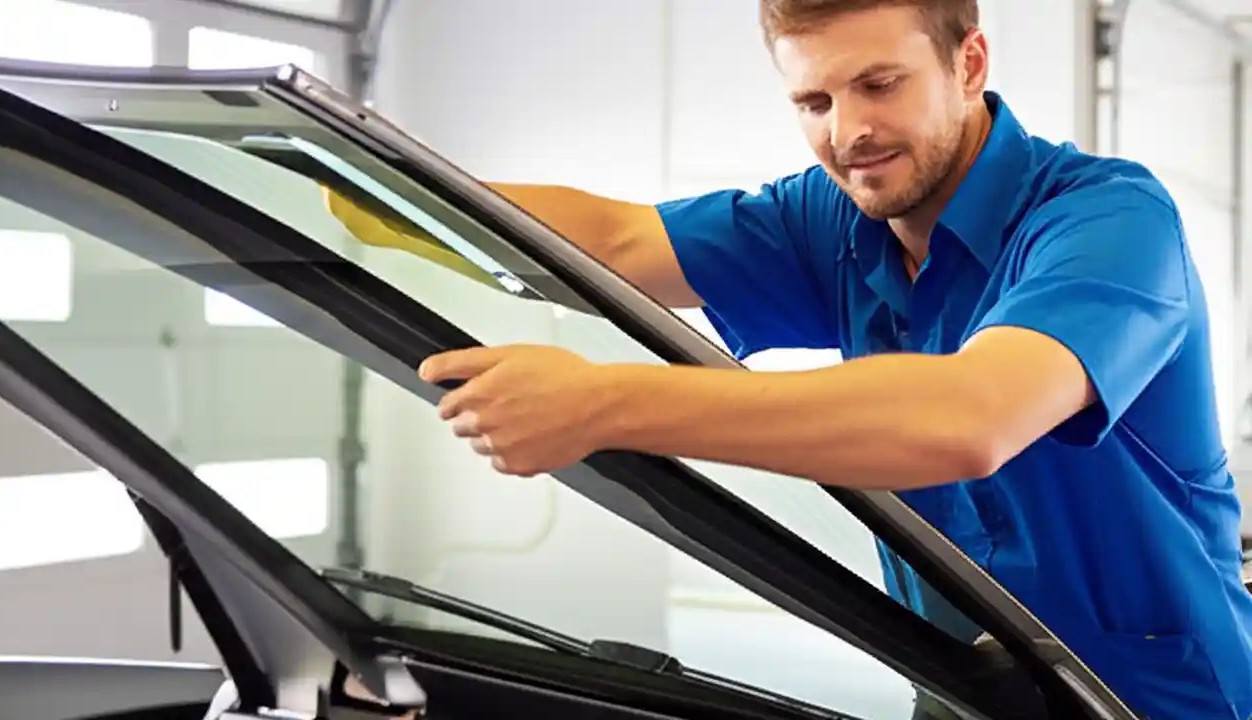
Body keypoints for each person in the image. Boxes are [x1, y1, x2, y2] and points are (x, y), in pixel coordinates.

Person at [415, 1, 1252, 717]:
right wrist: (366, 184)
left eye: (879, 85)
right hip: (964, 693)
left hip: (1154, 700)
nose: (847, 131)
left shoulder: (1109, 220)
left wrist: (601, 406)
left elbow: (970, 417)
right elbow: (617, 240)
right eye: (813, 99)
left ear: (969, 63)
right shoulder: (835, 221)